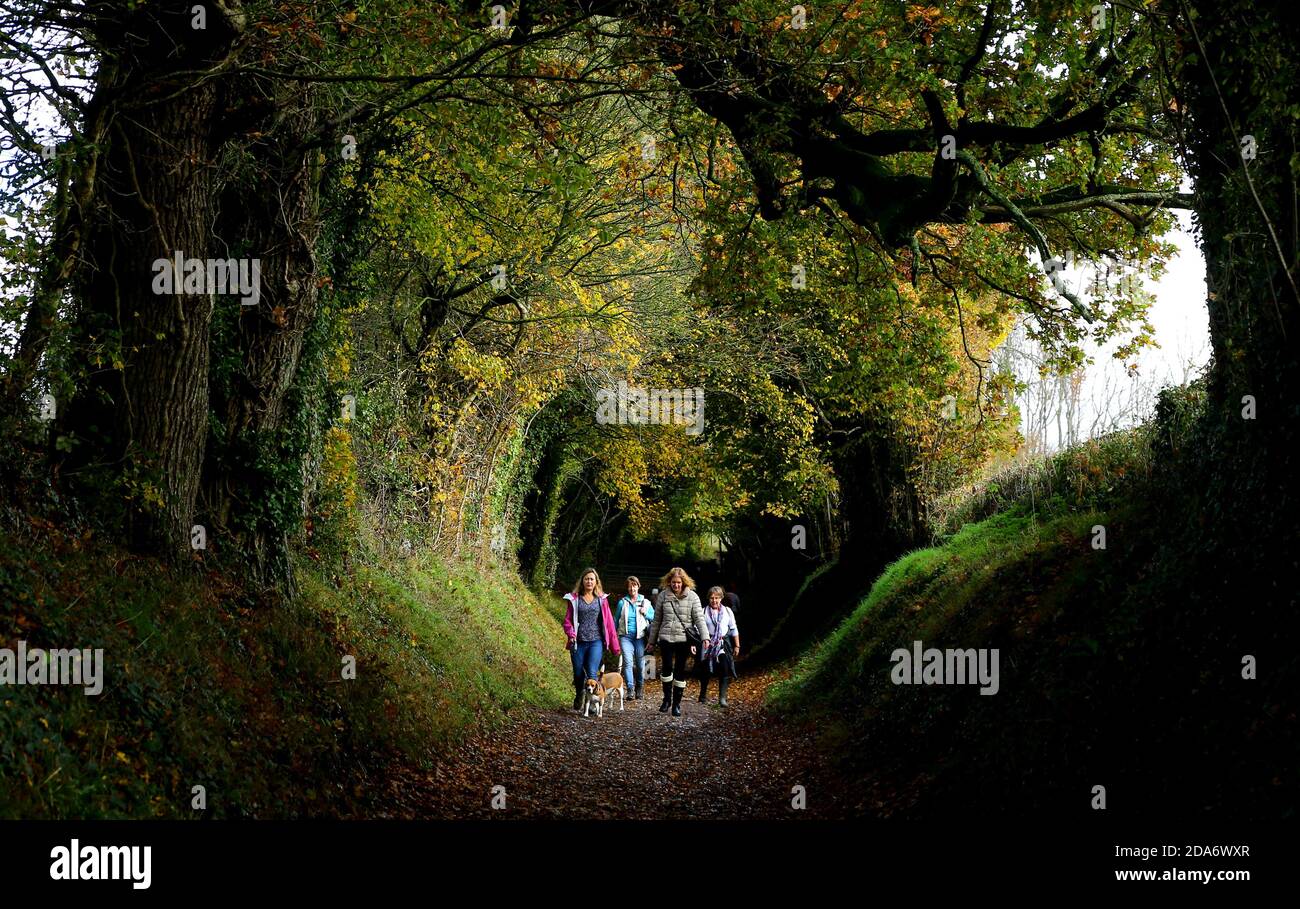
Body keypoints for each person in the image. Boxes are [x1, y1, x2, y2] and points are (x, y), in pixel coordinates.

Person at [646, 566, 708, 717]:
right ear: (669, 582)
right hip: (666, 637)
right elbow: (656, 620)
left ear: (684, 582)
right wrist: (651, 641)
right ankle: (667, 699)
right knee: (667, 668)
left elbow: (699, 618)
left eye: (679, 582)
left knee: (680, 671)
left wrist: (705, 637)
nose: (676, 585)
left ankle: (676, 704)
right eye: (673, 582)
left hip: (683, 639)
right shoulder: (663, 596)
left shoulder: (693, 597)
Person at [561, 568, 621, 711]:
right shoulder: (574, 599)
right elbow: (567, 620)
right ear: (582, 581)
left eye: (592, 579)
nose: (589, 581)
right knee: (578, 673)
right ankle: (579, 694)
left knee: (592, 672)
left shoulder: (601, 600)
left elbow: (609, 624)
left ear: (596, 582)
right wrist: (570, 633)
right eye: (587, 579)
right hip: (578, 642)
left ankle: (593, 705)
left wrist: (615, 646)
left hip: (596, 641)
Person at [698, 586, 740, 706]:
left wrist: (737, 645)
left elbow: (733, 628)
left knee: (724, 668)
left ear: (721, 598)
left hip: (723, 644)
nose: (714, 600)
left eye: (717, 598)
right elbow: (697, 629)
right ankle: (703, 694)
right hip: (707, 643)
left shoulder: (727, 611)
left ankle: (722, 698)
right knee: (705, 670)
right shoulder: (703, 611)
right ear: (708, 599)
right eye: (712, 598)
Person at [614, 576, 654, 700]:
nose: (632, 588)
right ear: (627, 588)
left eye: (635, 585)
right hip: (625, 637)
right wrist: (613, 636)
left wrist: (645, 612)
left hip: (640, 637)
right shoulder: (622, 602)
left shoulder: (645, 602)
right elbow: (616, 619)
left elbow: (654, 618)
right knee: (627, 662)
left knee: (641, 665)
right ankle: (630, 689)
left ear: (638, 586)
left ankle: (639, 687)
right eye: (630, 586)